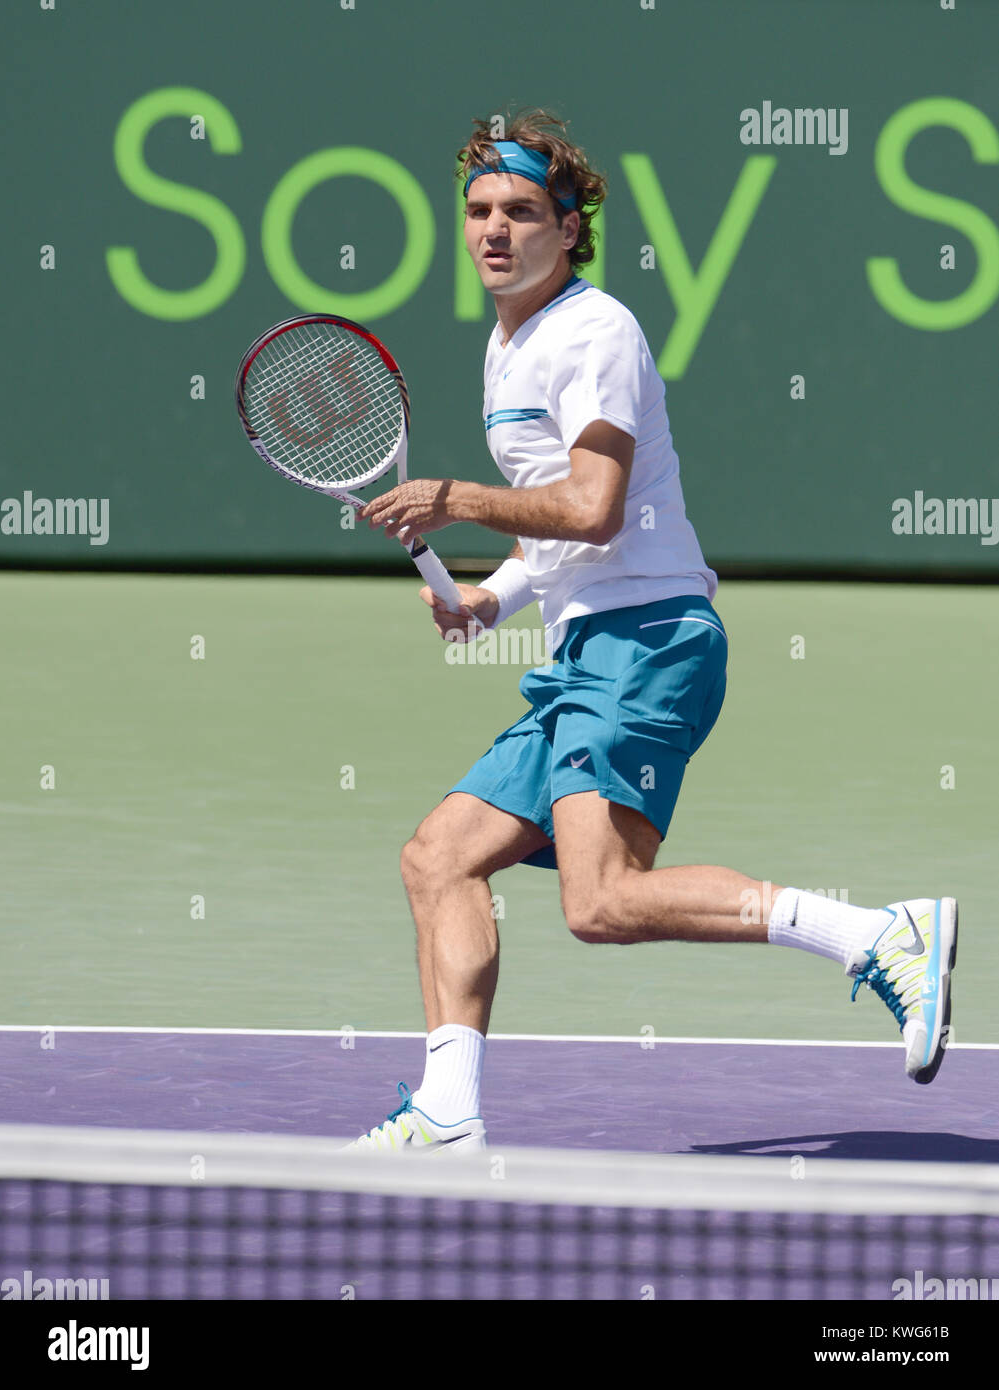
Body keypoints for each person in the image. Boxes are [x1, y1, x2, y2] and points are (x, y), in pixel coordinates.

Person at [349, 110, 957, 1154]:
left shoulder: (593, 334)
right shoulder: (507, 347)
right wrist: (492, 599)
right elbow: (563, 537)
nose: (495, 230)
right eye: (479, 211)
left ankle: (876, 934)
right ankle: (447, 1109)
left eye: (522, 212)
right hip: (590, 646)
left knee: (601, 900)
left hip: (649, 644)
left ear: (570, 226)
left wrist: (456, 495)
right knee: (438, 858)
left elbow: (590, 505)